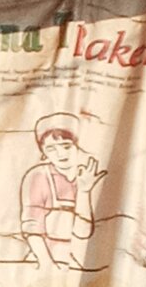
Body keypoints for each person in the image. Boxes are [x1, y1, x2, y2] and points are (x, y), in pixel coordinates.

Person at [20, 112, 107, 270]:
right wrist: (47, 263)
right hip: (41, 257)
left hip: (74, 259)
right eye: (51, 148)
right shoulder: (38, 177)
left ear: (76, 145)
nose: (61, 154)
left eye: (66, 146)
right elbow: (32, 227)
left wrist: (84, 192)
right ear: (43, 152)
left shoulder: (86, 175)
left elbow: (83, 233)